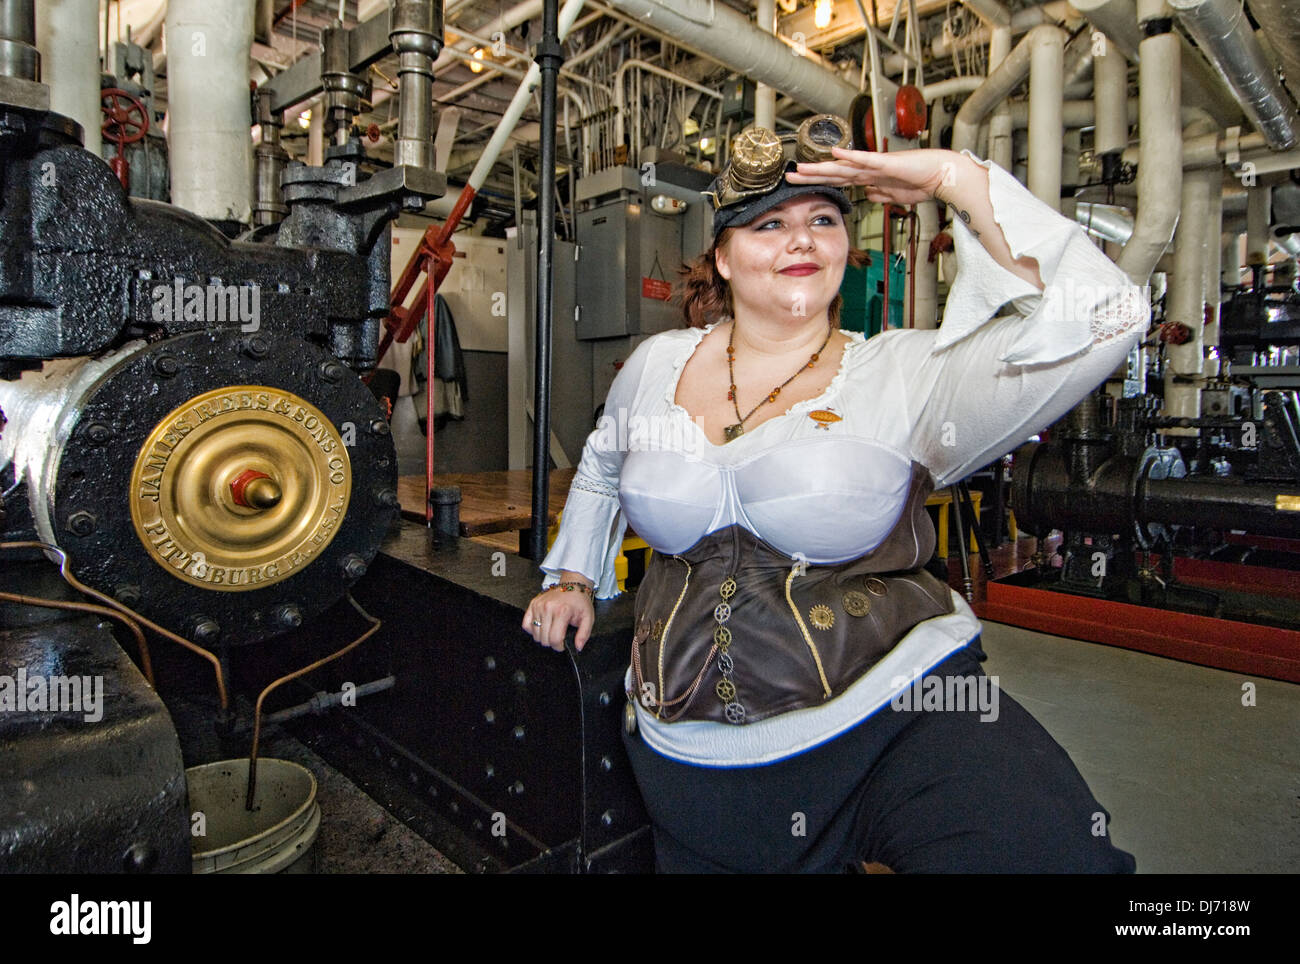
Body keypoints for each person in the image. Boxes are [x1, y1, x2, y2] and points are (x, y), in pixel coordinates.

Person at [522, 134, 1148, 873]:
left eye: (823, 220)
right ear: (723, 257)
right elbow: (601, 463)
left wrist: (959, 177)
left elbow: (1111, 315)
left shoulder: (904, 373)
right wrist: (573, 577)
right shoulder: (660, 365)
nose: (801, 240)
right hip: (689, 765)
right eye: (769, 224)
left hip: (901, 719)